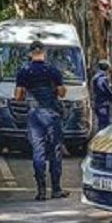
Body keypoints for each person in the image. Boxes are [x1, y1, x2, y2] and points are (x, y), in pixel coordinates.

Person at [14, 41, 69, 201]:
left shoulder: (24, 71)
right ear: (44, 53)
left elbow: (18, 96)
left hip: (34, 115)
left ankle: (41, 191)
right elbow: (62, 92)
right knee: (55, 151)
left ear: (31, 53)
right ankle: (56, 189)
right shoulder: (52, 70)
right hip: (52, 114)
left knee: (38, 152)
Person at [91, 61, 112, 130]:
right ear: (107, 68)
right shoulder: (102, 78)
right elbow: (105, 89)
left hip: (99, 102)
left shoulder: (96, 76)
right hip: (103, 103)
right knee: (104, 123)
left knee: (101, 123)